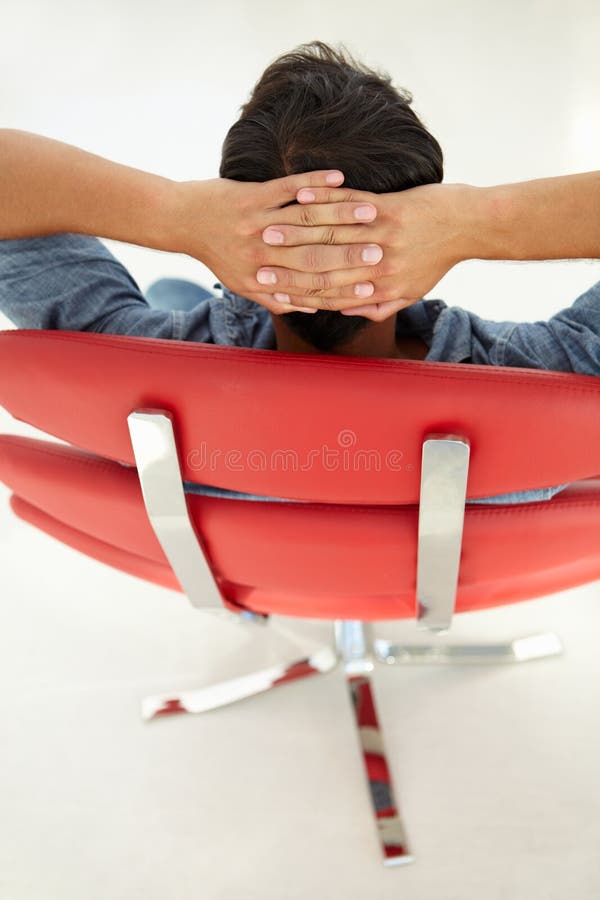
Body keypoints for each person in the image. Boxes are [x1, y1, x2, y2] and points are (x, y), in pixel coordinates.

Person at [0, 41, 598, 505]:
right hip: (427, 579)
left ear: (232, 231)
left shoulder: (132, 373)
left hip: (249, 554)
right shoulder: (551, 382)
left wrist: (174, 213)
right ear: (422, 246)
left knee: (170, 297)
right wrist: (477, 222)